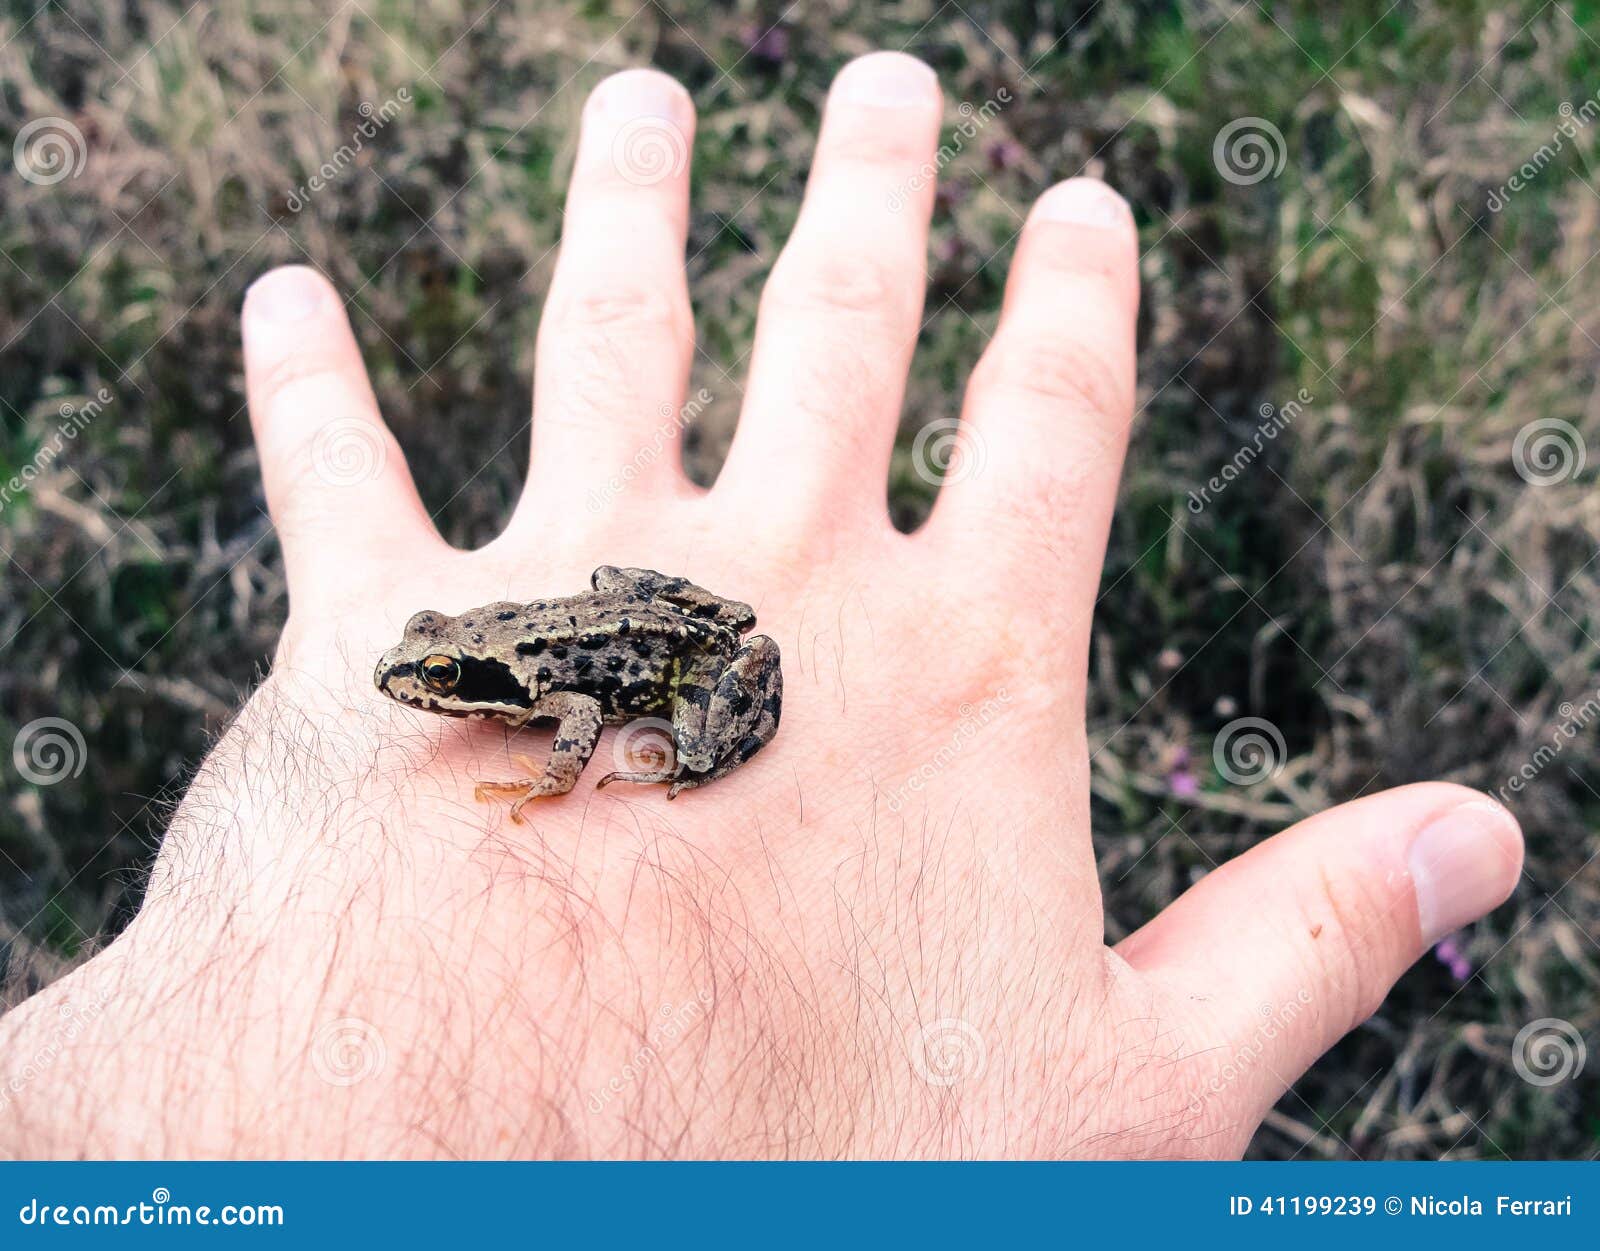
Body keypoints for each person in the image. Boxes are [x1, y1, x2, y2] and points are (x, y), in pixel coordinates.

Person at [0, 53, 1522, 1158]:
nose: (428, 689)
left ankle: (706, 727)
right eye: (434, 676)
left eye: (438, 680)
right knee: (616, 616)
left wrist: (569, 778)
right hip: (638, 618)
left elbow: (588, 708)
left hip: (686, 656)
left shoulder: (541, 696)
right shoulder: (481, 672)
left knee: (664, 679)